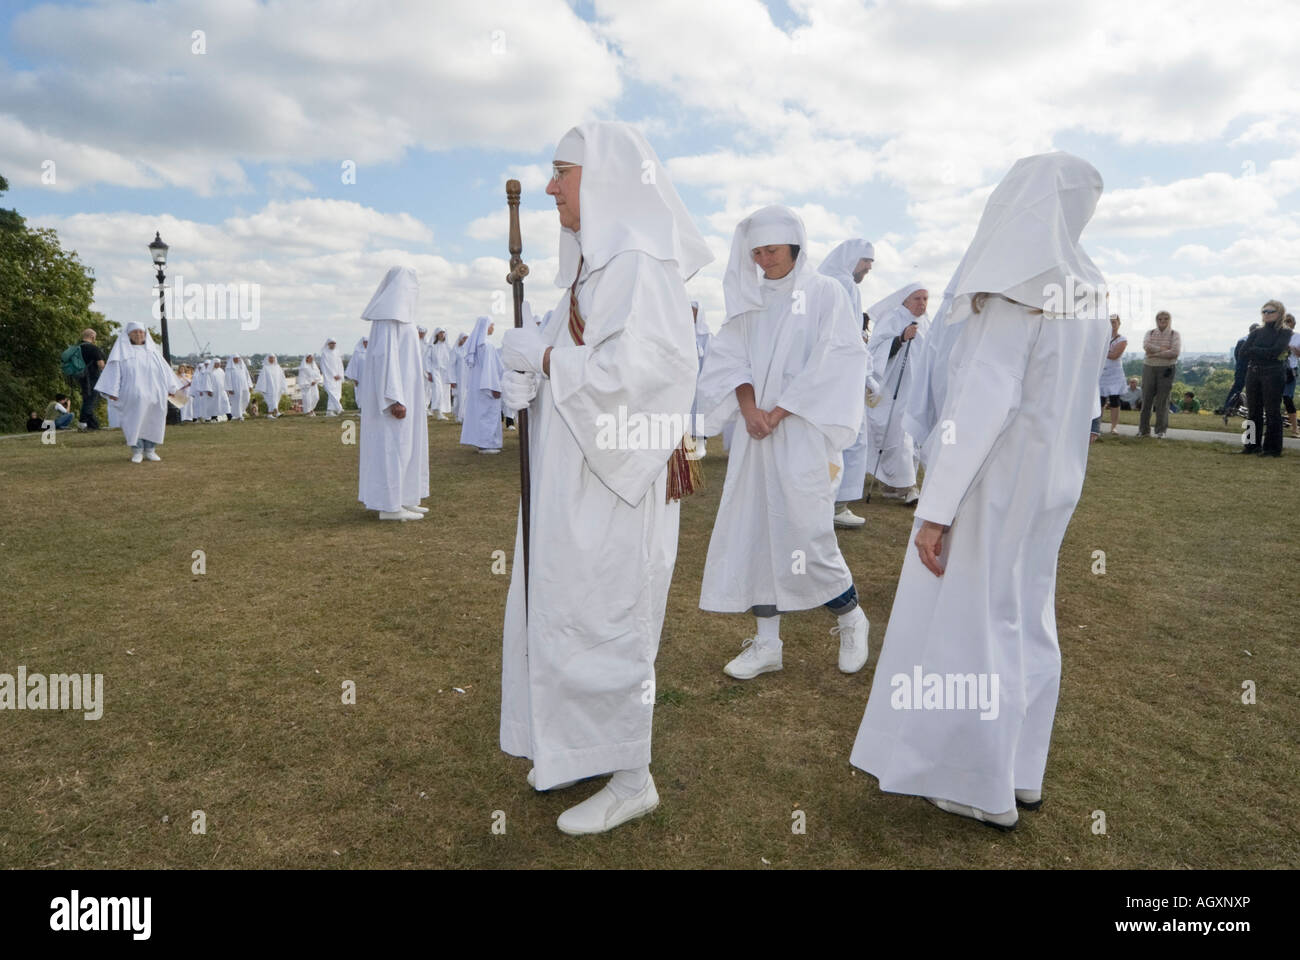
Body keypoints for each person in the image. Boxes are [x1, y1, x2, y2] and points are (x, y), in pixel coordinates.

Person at [850, 152, 1110, 830]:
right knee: (1029, 619)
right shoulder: (1088, 290)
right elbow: (1080, 407)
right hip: (1053, 482)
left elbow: (983, 404)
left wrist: (935, 510)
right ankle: (1021, 769)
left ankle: (978, 784)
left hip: (995, 483)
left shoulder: (1018, 290)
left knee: (980, 625)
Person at [496, 120, 710, 836]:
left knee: (612, 616)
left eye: (563, 171)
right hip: (573, 478)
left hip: (616, 483)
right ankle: (579, 746)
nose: (552, 185)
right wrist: (526, 368)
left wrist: (552, 363)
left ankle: (632, 775)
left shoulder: (643, 267)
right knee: (569, 609)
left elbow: (652, 377)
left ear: (608, 179)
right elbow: (559, 352)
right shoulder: (594, 268)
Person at [696, 205, 871, 680]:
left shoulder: (825, 294)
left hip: (802, 433)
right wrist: (751, 410)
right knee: (755, 532)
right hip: (757, 437)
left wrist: (779, 411)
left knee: (805, 532)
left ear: (794, 245)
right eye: (756, 252)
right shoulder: (749, 298)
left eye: (771, 250)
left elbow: (836, 360)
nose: (763, 260)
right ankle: (767, 642)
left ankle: (851, 616)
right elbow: (731, 358)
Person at [357, 266, 431, 520]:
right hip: (395, 399)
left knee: (408, 447)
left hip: (409, 394)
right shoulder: (388, 318)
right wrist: (394, 398)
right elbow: (384, 359)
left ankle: (406, 497)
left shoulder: (403, 318)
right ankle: (390, 506)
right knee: (394, 448)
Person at [818, 238, 878, 526]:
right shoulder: (845, 285)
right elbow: (852, 336)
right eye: (866, 260)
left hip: (825, 376)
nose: (868, 267)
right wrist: (866, 374)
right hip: (844, 376)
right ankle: (836, 505)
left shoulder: (822, 282)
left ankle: (822, 501)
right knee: (850, 437)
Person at [865, 282, 930, 503]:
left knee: (911, 434)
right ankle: (901, 485)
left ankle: (904, 486)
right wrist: (900, 339)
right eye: (917, 298)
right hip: (892, 387)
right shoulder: (892, 318)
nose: (922, 303)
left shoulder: (927, 322)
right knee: (897, 435)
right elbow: (873, 351)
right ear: (905, 300)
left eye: (925, 299)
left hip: (916, 389)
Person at [94, 321, 187, 462]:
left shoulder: (153, 353)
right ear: (129, 335)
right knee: (134, 421)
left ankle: (150, 450)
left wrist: (172, 389)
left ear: (145, 334)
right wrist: (112, 391)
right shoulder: (121, 353)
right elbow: (114, 373)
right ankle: (137, 450)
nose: (138, 335)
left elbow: (166, 372)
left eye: (141, 332)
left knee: (154, 421)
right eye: (135, 332)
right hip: (133, 395)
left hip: (155, 394)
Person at [1241, 300, 1290, 456]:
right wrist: (1263, 351)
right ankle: (1251, 446)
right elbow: (1243, 352)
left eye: (1271, 311)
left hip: (1273, 373)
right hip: (1253, 372)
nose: (1267, 314)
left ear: (1280, 313)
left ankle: (1272, 448)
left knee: (1272, 411)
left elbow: (1275, 352)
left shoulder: (1285, 332)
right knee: (1253, 411)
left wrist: (1255, 350)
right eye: (1264, 311)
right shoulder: (1256, 332)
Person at [458, 317, 504, 454]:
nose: (493, 328)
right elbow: (490, 370)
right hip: (487, 386)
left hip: (478, 386)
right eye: (492, 325)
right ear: (486, 327)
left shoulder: (477, 346)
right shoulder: (487, 346)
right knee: (488, 414)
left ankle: (481, 442)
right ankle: (487, 443)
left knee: (480, 414)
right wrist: (495, 387)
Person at [1138, 310, 1180, 438]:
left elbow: (1175, 352)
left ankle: (1161, 431)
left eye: (1165, 319)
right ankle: (1143, 430)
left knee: (1162, 401)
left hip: (1167, 369)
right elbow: (1146, 346)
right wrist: (1163, 350)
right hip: (1149, 368)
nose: (1162, 321)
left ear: (1170, 320)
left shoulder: (1174, 334)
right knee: (1146, 400)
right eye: (1160, 319)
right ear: (1156, 320)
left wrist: (1154, 353)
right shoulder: (1150, 333)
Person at [689, 300, 712, 458]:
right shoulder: (683, 333)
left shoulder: (707, 336)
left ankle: (700, 444)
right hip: (687, 383)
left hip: (701, 382)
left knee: (700, 414)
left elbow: (710, 360)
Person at [1099, 314, 1127, 435]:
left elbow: (1115, 355)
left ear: (1119, 324)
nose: (1112, 325)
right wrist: (1108, 351)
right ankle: (1096, 425)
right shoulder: (1101, 337)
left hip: (1114, 373)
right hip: (1101, 373)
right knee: (1100, 400)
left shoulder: (1122, 339)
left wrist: (1103, 351)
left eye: (1114, 322)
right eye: (1109, 322)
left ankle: (1114, 427)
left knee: (1115, 400)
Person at [74, 329, 105, 430]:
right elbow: (101, 364)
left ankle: (93, 425)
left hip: (80, 377)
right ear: (92, 336)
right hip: (92, 377)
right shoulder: (93, 348)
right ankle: (82, 422)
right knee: (91, 400)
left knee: (87, 399)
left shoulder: (77, 348)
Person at [428, 328, 453, 419]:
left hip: (445, 372)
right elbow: (427, 359)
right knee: (438, 390)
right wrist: (429, 372)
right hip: (435, 370)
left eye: (443, 332)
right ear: (437, 334)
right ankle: (437, 410)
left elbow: (451, 359)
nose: (442, 334)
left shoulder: (447, 346)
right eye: (440, 333)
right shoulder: (432, 346)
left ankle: (440, 411)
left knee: (445, 392)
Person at [318, 338, 345, 416]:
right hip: (329, 377)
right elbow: (325, 366)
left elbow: (340, 364)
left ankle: (330, 411)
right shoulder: (325, 353)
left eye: (334, 343)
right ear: (328, 344)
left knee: (337, 393)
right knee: (331, 392)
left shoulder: (337, 352)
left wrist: (340, 375)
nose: (333, 344)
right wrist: (333, 375)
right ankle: (339, 408)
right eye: (331, 343)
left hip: (338, 377)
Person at [1282, 314, 1299, 438]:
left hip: (1291, 370)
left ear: (1294, 323)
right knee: (1273, 399)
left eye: (1289, 321)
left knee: (1287, 398)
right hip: (1277, 370)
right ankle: (1274, 427)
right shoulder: (1278, 336)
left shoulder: (1297, 337)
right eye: (1285, 321)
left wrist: (1291, 348)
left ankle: (1295, 428)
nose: (1287, 323)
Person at [226, 355, 253, 420]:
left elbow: (247, 375)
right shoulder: (229, 368)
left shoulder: (243, 366)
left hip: (244, 386)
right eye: (235, 359)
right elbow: (227, 379)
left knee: (246, 398)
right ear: (232, 359)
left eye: (238, 359)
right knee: (237, 400)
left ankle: (241, 411)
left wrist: (250, 385)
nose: (237, 360)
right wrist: (229, 388)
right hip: (235, 387)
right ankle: (239, 415)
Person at [345, 336, 368, 412]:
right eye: (365, 342)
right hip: (359, 377)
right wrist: (355, 378)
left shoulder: (371, 352)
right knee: (360, 392)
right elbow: (353, 365)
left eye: (367, 342)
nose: (366, 344)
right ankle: (361, 408)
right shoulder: (357, 352)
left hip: (369, 378)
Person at [451, 332, 469, 422]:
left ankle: (463, 415)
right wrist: (452, 379)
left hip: (468, 377)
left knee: (466, 396)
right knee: (460, 396)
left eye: (467, 338)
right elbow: (451, 365)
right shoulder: (455, 350)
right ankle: (460, 416)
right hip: (459, 377)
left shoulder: (469, 350)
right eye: (464, 338)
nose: (465, 340)